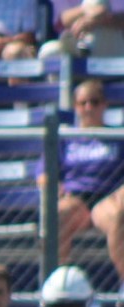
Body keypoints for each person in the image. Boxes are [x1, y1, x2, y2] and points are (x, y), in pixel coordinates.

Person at [53, 80, 124, 285]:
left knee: (119, 215)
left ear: (104, 105)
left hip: (109, 198)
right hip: (77, 199)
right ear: (76, 106)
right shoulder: (66, 137)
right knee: (58, 215)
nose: (89, 108)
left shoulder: (117, 136)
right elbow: (45, 173)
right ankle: (60, 282)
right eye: (83, 102)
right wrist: (54, 188)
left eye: (94, 102)